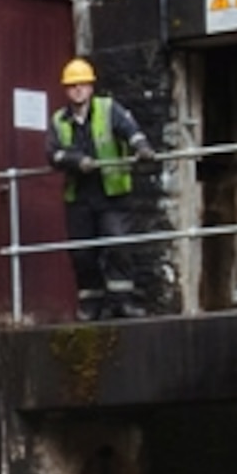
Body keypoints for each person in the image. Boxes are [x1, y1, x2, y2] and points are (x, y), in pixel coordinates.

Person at [48, 57, 156, 319]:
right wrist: (77, 160)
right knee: (82, 253)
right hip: (79, 195)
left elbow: (130, 130)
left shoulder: (109, 110)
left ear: (91, 87)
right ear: (66, 90)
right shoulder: (59, 120)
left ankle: (122, 301)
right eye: (73, 86)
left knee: (117, 242)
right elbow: (52, 154)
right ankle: (90, 302)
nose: (78, 90)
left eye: (82, 85)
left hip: (111, 191)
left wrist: (141, 148)